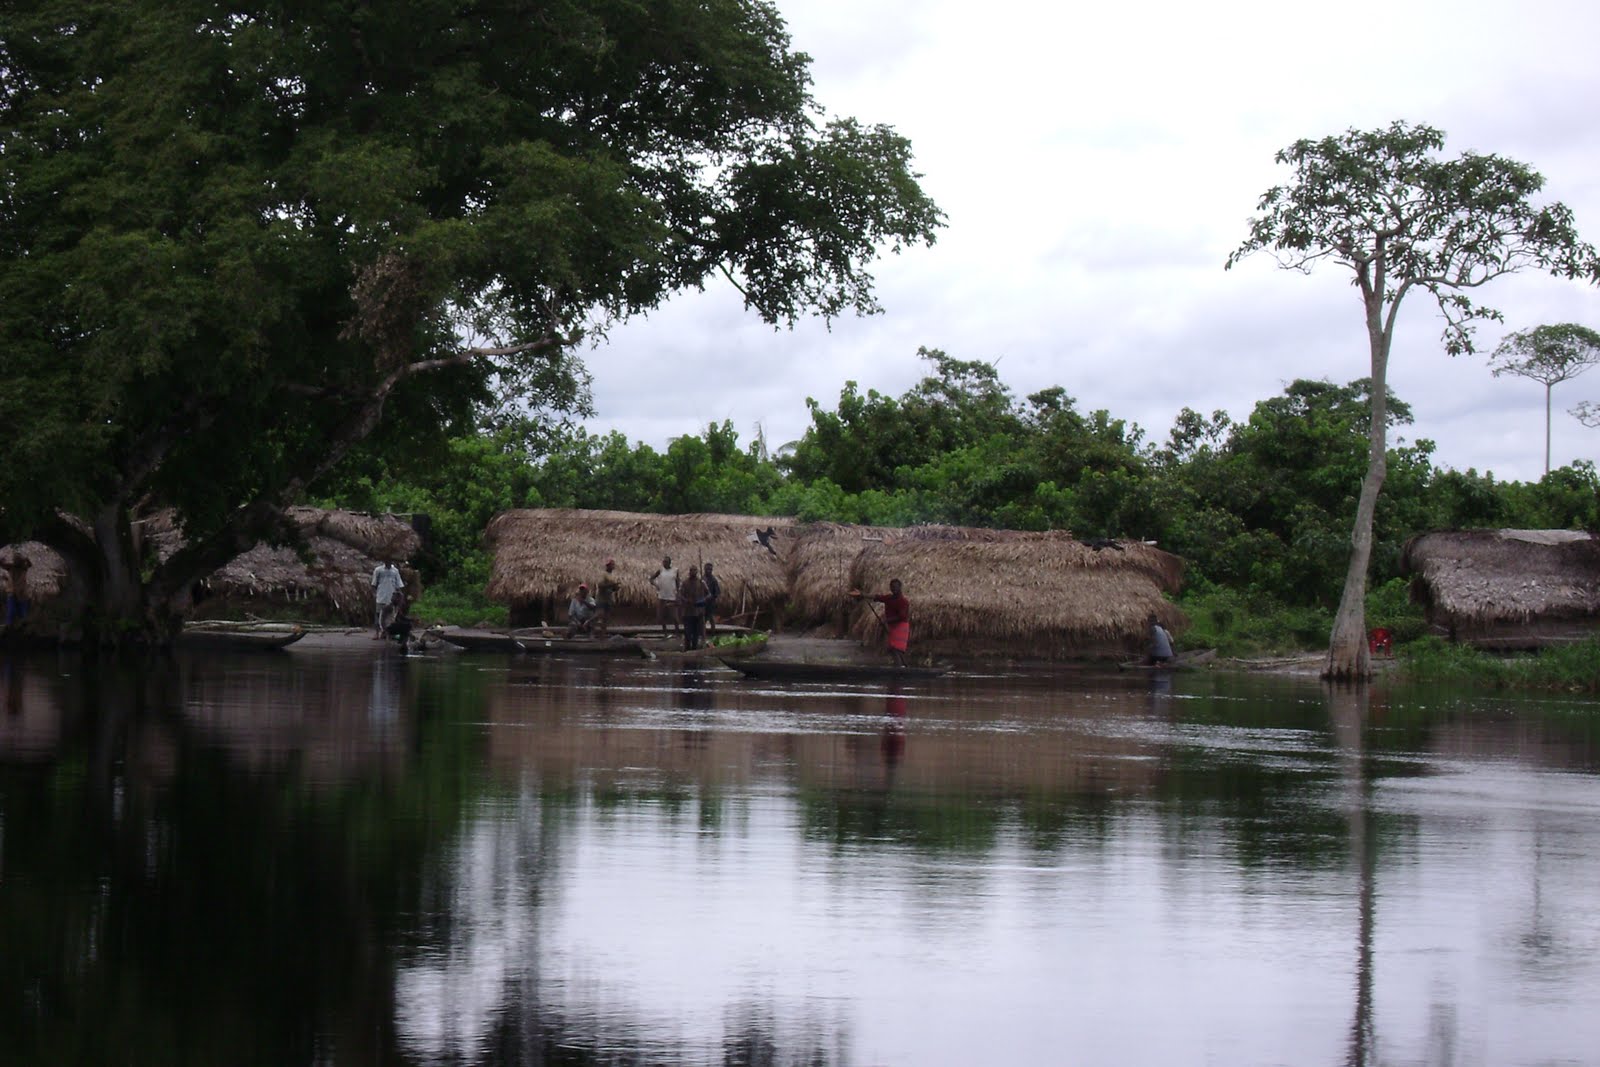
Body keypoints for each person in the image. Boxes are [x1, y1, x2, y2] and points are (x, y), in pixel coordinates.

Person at [851, 578, 910, 667]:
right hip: (893, 626)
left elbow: (902, 617)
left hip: (901, 626)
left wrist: (887, 620)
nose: (893, 589)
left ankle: (899, 668)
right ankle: (904, 667)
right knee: (895, 648)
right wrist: (862, 594)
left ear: (900, 588)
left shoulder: (903, 602)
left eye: (895, 587)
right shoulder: (889, 598)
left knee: (895, 648)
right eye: (892, 587)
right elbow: (877, 597)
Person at [371, 559, 405, 639]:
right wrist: (374, 594)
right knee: (378, 614)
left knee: (390, 616)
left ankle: (386, 632)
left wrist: (400, 596)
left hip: (392, 598)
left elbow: (398, 584)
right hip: (381, 596)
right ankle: (377, 633)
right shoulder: (378, 570)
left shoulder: (395, 571)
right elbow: (374, 583)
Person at [677, 565, 707, 651]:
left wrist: (702, 600)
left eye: (694, 571)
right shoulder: (685, 583)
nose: (692, 572)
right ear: (689, 572)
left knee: (696, 633)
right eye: (691, 571)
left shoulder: (701, 583)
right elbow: (679, 594)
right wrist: (686, 600)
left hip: (698, 612)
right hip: (688, 612)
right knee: (687, 632)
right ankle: (687, 648)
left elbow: (708, 594)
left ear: (697, 572)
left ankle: (694, 649)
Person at [650, 555, 679, 636]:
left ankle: (677, 633)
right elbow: (651, 579)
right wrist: (656, 585)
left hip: (672, 597)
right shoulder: (660, 570)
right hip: (662, 596)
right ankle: (665, 633)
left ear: (670, 563)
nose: (664, 563)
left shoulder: (675, 570)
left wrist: (678, 594)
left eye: (666, 562)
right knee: (661, 616)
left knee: (674, 617)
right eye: (663, 562)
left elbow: (678, 583)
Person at [2, 552, 32, 628]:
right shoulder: (12, 567)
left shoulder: (23, 568)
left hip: (21, 593)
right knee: (12, 611)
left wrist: (27, 559)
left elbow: (30, 564)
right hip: (13, 593)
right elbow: (2, 565)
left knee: (21, 612)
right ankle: (9, 625)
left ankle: (19, 625)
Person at [595, 558, 621, 636]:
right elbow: (600, 585)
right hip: (602, 598)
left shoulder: (611, 576)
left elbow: (611, 588)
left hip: (608, 599)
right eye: (611, 565)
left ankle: (603, 634)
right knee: (600, 616)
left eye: (613, 565)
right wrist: (612, 585)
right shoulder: (604, 574)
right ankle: (594, 630)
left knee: (606, 618)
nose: (612, 566)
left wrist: (615, 588)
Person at [701, 561, 721, 636]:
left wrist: (711, 597)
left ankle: (713, 633)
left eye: (710, 569)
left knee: (711, 618)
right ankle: (703, 634)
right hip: (703, 602)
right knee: (703, 619)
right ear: (704, 569)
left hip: (711, 603)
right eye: (707, 569)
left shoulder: (713, 580)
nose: (708, 571)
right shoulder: (702, 579)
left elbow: (717, 593)